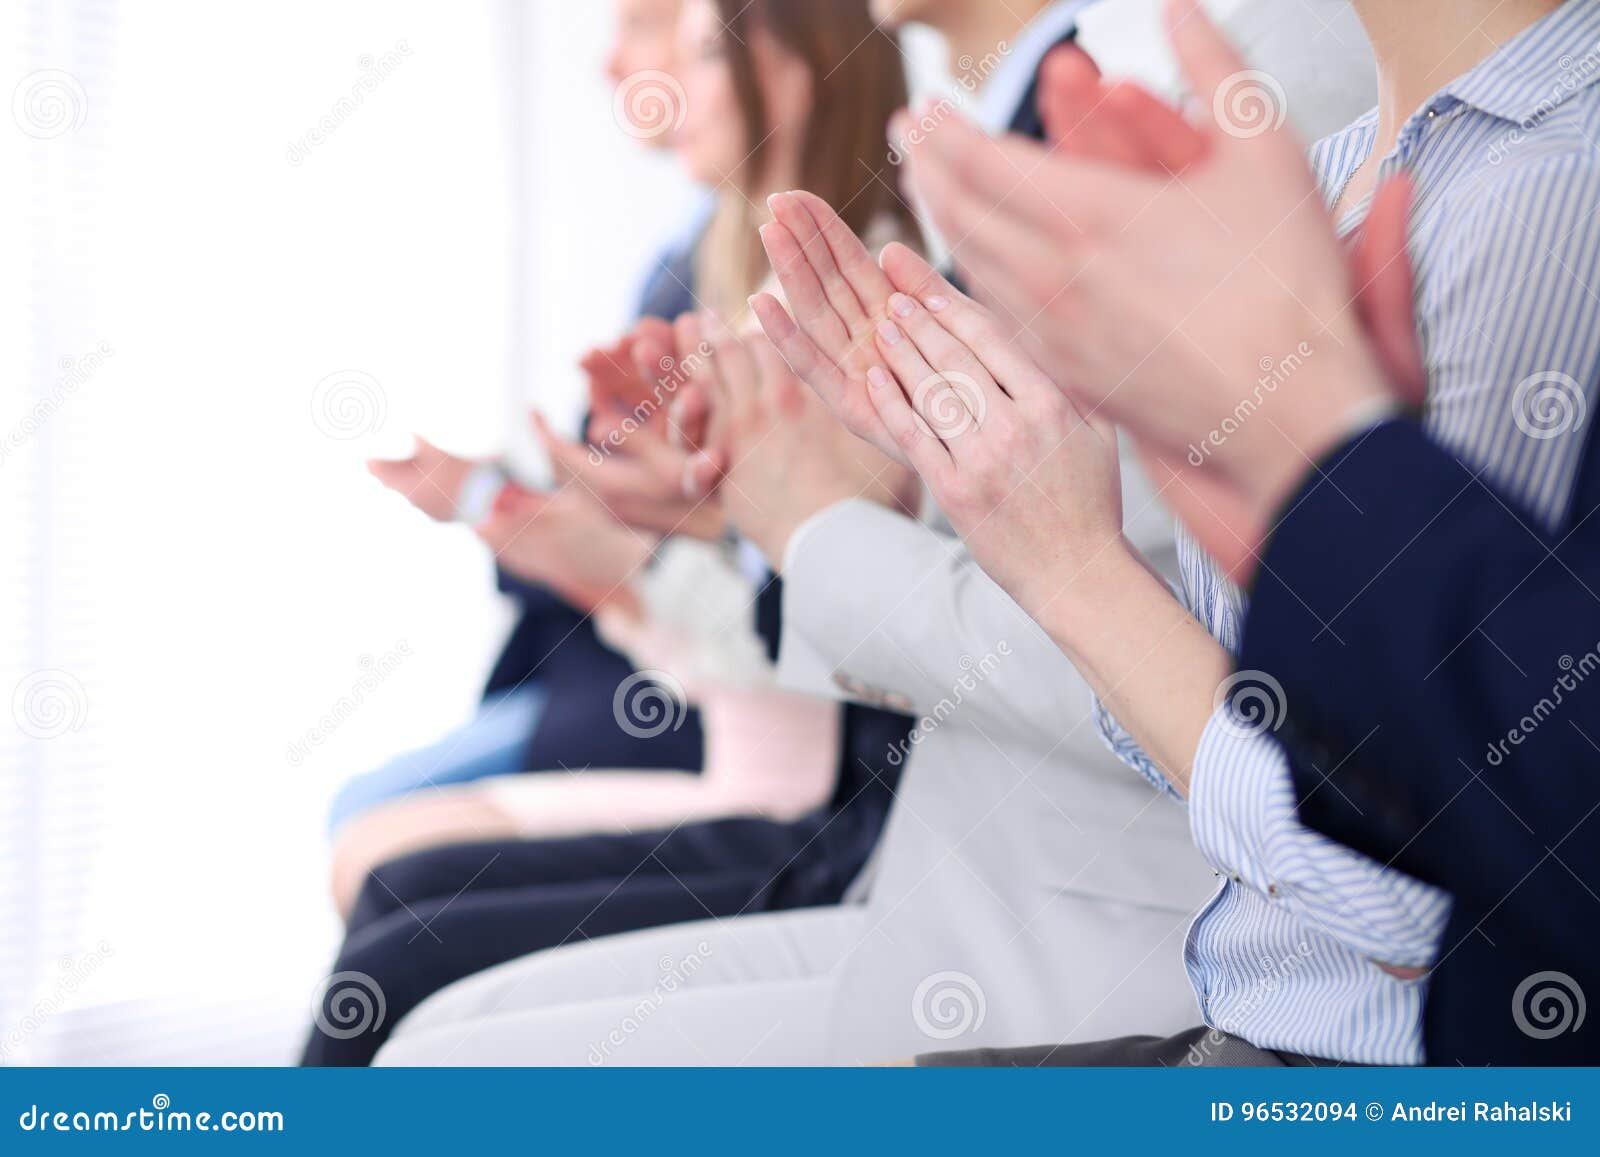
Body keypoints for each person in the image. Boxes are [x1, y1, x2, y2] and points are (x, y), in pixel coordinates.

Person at [364, 0, 1377, 1067]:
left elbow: (1167, 631)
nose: (625, 70)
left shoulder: (1198, 99)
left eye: (697, 47)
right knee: (428, 1008)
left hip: (1097, 922)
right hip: (932, 869)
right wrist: (745, 527)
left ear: (788, 68)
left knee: (422, 1004)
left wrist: (790, 535)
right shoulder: (977, 157)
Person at [782, 0, 1600, 1064]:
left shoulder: (1553, 185)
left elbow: (1423, 883)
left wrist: (1074, 567)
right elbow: (1290, 727)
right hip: (1235, 1017)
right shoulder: (1330, 168)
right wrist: (1026, 493)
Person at [302, 0, 919, 1065]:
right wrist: (612, 538)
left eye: (696, 54)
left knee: (390, 907)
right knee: (380, 867)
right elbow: (755, 586)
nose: (658, 83)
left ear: (789, 66)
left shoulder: (858, 301)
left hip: (805, 789)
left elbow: (810, 630)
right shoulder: (731, 287)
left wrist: (630, 554)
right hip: (741, 736)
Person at [331, 0, 712, 833]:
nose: (612, 64)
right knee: (362, 821)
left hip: (656, 694)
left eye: (644, 25)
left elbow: (673, 545)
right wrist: (484, 494)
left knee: (364, 823)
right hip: (603, 659)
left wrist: (507, 507)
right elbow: (624, 510)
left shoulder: (736, 273)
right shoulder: (687, 254)